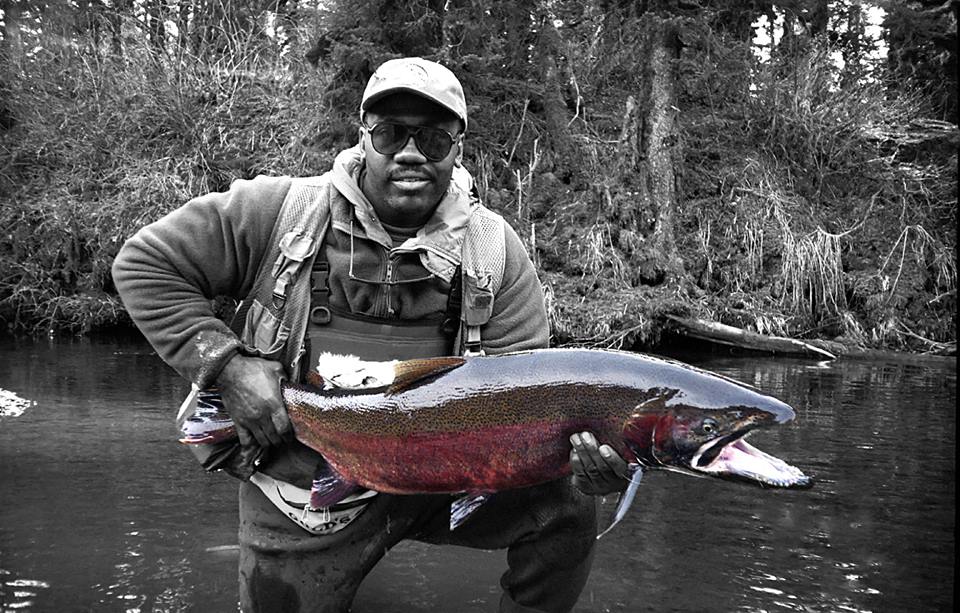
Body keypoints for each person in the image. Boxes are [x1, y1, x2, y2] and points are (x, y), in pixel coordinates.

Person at [113, 56, 628, 613]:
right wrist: (227, 366)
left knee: (569, 503)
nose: (410, 152)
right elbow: (144, 264)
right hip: (305, 484)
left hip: (442, 475)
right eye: (390, 134)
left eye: (433, 138)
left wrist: (582, 460)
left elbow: (523, 402)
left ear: (458, 148)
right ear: (364, 138)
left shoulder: (495, 251)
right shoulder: (278, 211)